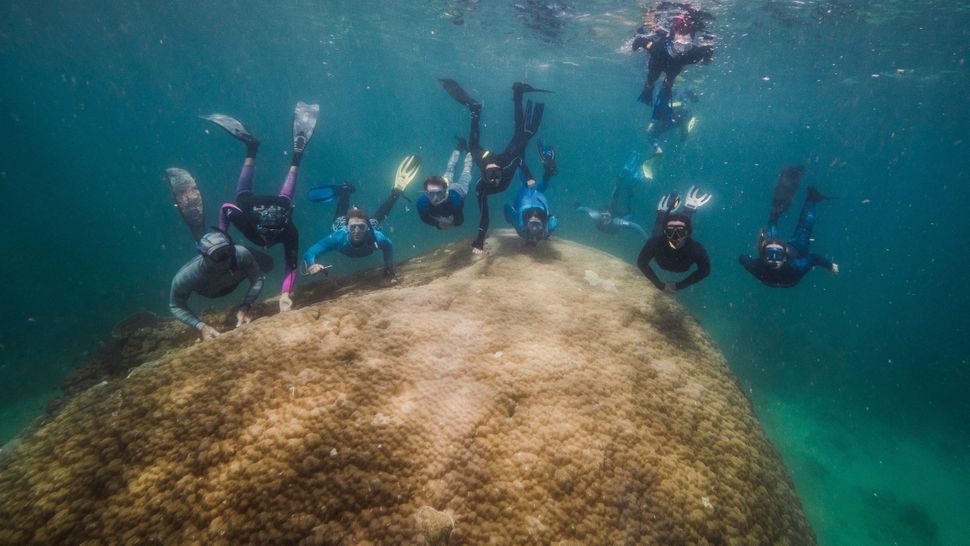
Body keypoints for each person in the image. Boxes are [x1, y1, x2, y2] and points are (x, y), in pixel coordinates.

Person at [203, 102, 319, 314]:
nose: (268, 239)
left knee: (280, 197)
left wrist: (285, 295)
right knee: (245, 197)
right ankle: (291, 155)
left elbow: (291, 267)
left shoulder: (289, 230)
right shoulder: (256, 222)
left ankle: (258, 149)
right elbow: (226, 207)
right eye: (266, 233)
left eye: (272, 234)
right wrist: (223, 238)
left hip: (279, 208)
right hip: (255, 208)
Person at [439, 79, 549, 252]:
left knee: (482, 144)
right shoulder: (481, 187)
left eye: (496, 175)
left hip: (500, 159)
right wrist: (480, 241)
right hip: (487, 159)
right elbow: (484, 214)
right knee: (518, 137)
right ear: (484, 174)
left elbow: (518, 161)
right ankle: (511, 97)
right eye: (491, 177)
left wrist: (528, 176)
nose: (495, 180)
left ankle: (480, 109)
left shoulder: (505, 166)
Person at [303, 156, 420, 282]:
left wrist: (388, 270)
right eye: (353, 227)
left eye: (361, 227)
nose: (357, 230)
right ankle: (346, 192)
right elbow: (310, 253)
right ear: (347, 228)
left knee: (377, 218)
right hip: (344, 224)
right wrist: (311, 265)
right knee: (341, 218)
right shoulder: (339, 236)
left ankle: (394, 194)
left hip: (367, 227)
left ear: (367, 227)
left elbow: (388, 246)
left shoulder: (375, 235)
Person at [633, 4, 713, 153]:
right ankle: (649, 89)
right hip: (657, 62)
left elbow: (706, 50)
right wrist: (635, 46)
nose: (681, 50)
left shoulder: (690, 54)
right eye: (678, 44)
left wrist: (707, 58)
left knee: (668, 83)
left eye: (686, 45)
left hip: (673, 68)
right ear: (672, 39)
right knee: (651, 80)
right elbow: (641, 42)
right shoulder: (658, 48)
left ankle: (662, 107)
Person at [739, 168, 838, 287]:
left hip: (792, 252)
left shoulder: (758, 266)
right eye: (771, 255)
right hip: (796, 253)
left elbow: (742, 259)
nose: (774, 260)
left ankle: (776, 215)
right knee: (804, 230)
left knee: (774, 224)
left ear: (785, 257)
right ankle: (812, 198)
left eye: (777, 255)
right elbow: (813, 259)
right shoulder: (797, 267)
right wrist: (830, 266)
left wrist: (758, 247)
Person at [169, 230, 265, 340]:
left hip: (231, 279)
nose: (226, 259)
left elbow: (257, 278)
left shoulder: (241, 254)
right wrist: (202, 326)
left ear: (232, 249)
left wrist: (245, 307)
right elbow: (176, 306)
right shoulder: (187, 276)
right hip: (212, 291)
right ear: (204, 256)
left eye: (227, 251)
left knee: (260, 261)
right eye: (217, 255)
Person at [637, 186, 712, 293]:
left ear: (687, 233)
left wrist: (678, 286)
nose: (675, 236)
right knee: (658, 232)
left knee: (662, 227)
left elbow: (705, 271)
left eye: (680, 232)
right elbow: (641, 263)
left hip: (664, 260)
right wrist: (660, 285)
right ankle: (666, 213)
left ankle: (668, 213)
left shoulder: (696, 249)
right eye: (670, 231)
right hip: (667, 254)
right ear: (665, 232)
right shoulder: (655, 243)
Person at [576, 151, 650, 239]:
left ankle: (623, 178)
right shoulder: (597, 216)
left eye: (606, 216)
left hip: (624, 216)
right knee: (621, 197)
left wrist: (647, 238)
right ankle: (630, 180)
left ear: (610, 215)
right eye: (602, 215)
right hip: (616, 214)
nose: (604, 218)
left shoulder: (617, 221)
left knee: (622, 203)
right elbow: (585, 209)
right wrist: (578, 208)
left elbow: (636, 226)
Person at [416, 138, 473, 230]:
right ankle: (459, 147)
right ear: (426, 193)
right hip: (444, 184)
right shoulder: (422, 203)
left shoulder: (455, 202)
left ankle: (470, 153)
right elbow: (425, 218)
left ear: (446, 192)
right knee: (450, 169)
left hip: (457, 191)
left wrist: (448, 224)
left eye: (438, 193)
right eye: (431, 194)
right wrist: (438, 224)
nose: (435, 198)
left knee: (466, 172)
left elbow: (460, 221)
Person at [504, 163, 558, 244]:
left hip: (533, 201)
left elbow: (507, 208)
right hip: (529, 201)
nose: (534, 229)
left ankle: (522, 165)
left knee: (530, 188)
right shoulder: (520, 223)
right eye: (533, 224)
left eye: (536, 225)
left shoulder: (520, 225)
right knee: (527, 188)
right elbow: (507, 209)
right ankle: (522, 165)